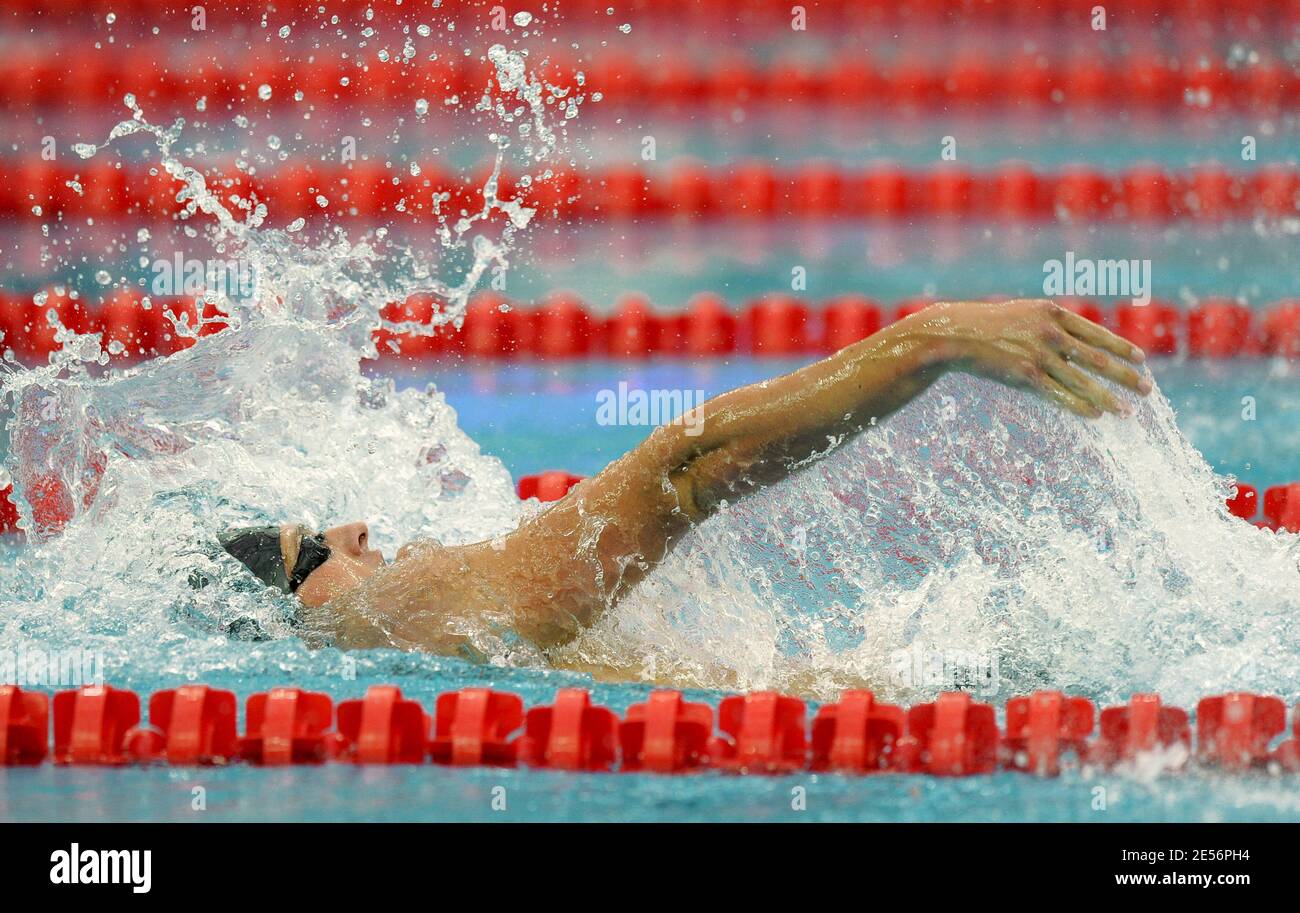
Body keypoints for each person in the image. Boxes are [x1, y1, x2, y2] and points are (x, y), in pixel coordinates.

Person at [221, 299, 1150, 661]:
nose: (357, 532)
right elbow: (684, 470)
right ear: (294, 608)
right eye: (314, 549)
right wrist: (933, 337)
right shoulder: (378, 614)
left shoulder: (427, 636)